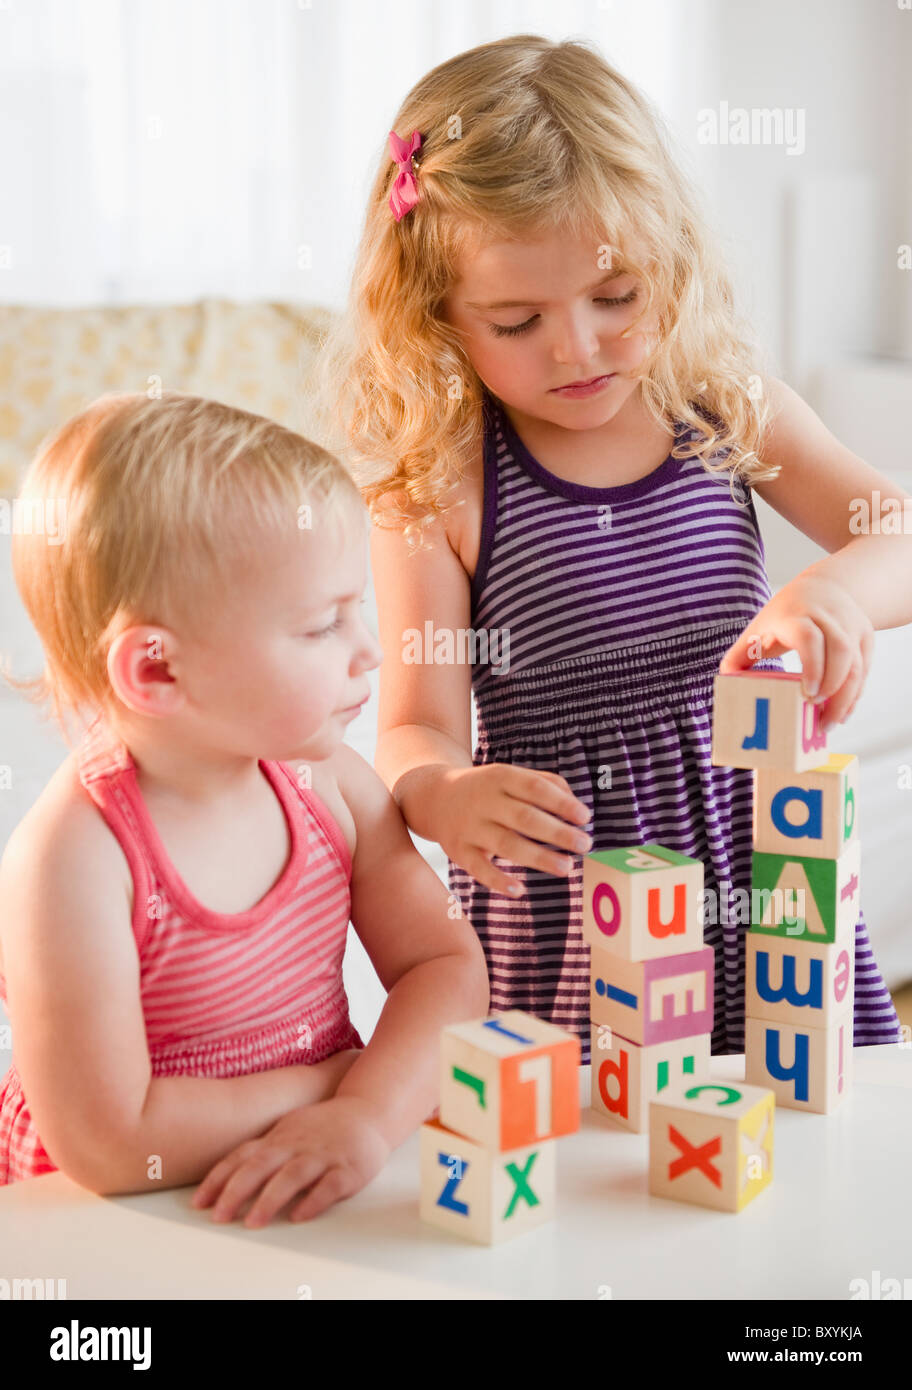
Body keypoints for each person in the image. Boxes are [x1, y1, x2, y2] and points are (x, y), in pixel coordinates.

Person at [314, 34, 910, 1065]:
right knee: (597, 1179)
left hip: (762, 862)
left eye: (615, 298)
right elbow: (412, 728)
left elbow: (892, 529)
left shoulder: (719, 399)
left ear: (667, 262)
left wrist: (832, 596)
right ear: (438, 317)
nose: (577, 347)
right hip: (570, 902)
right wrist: (444, 795)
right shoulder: (440, 485)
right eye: (516, 319)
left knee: (801, 1136)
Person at [0, 391, 489, 1227]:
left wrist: (366, 1117)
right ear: (156, 671)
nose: (369, 650)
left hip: (310, 1165)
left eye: (357, 608)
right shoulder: (75, 858)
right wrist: (344, 1086)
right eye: (320, 626)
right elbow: (114, 1145)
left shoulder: (331, 783)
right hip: (114, 1217)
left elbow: (445, 968)